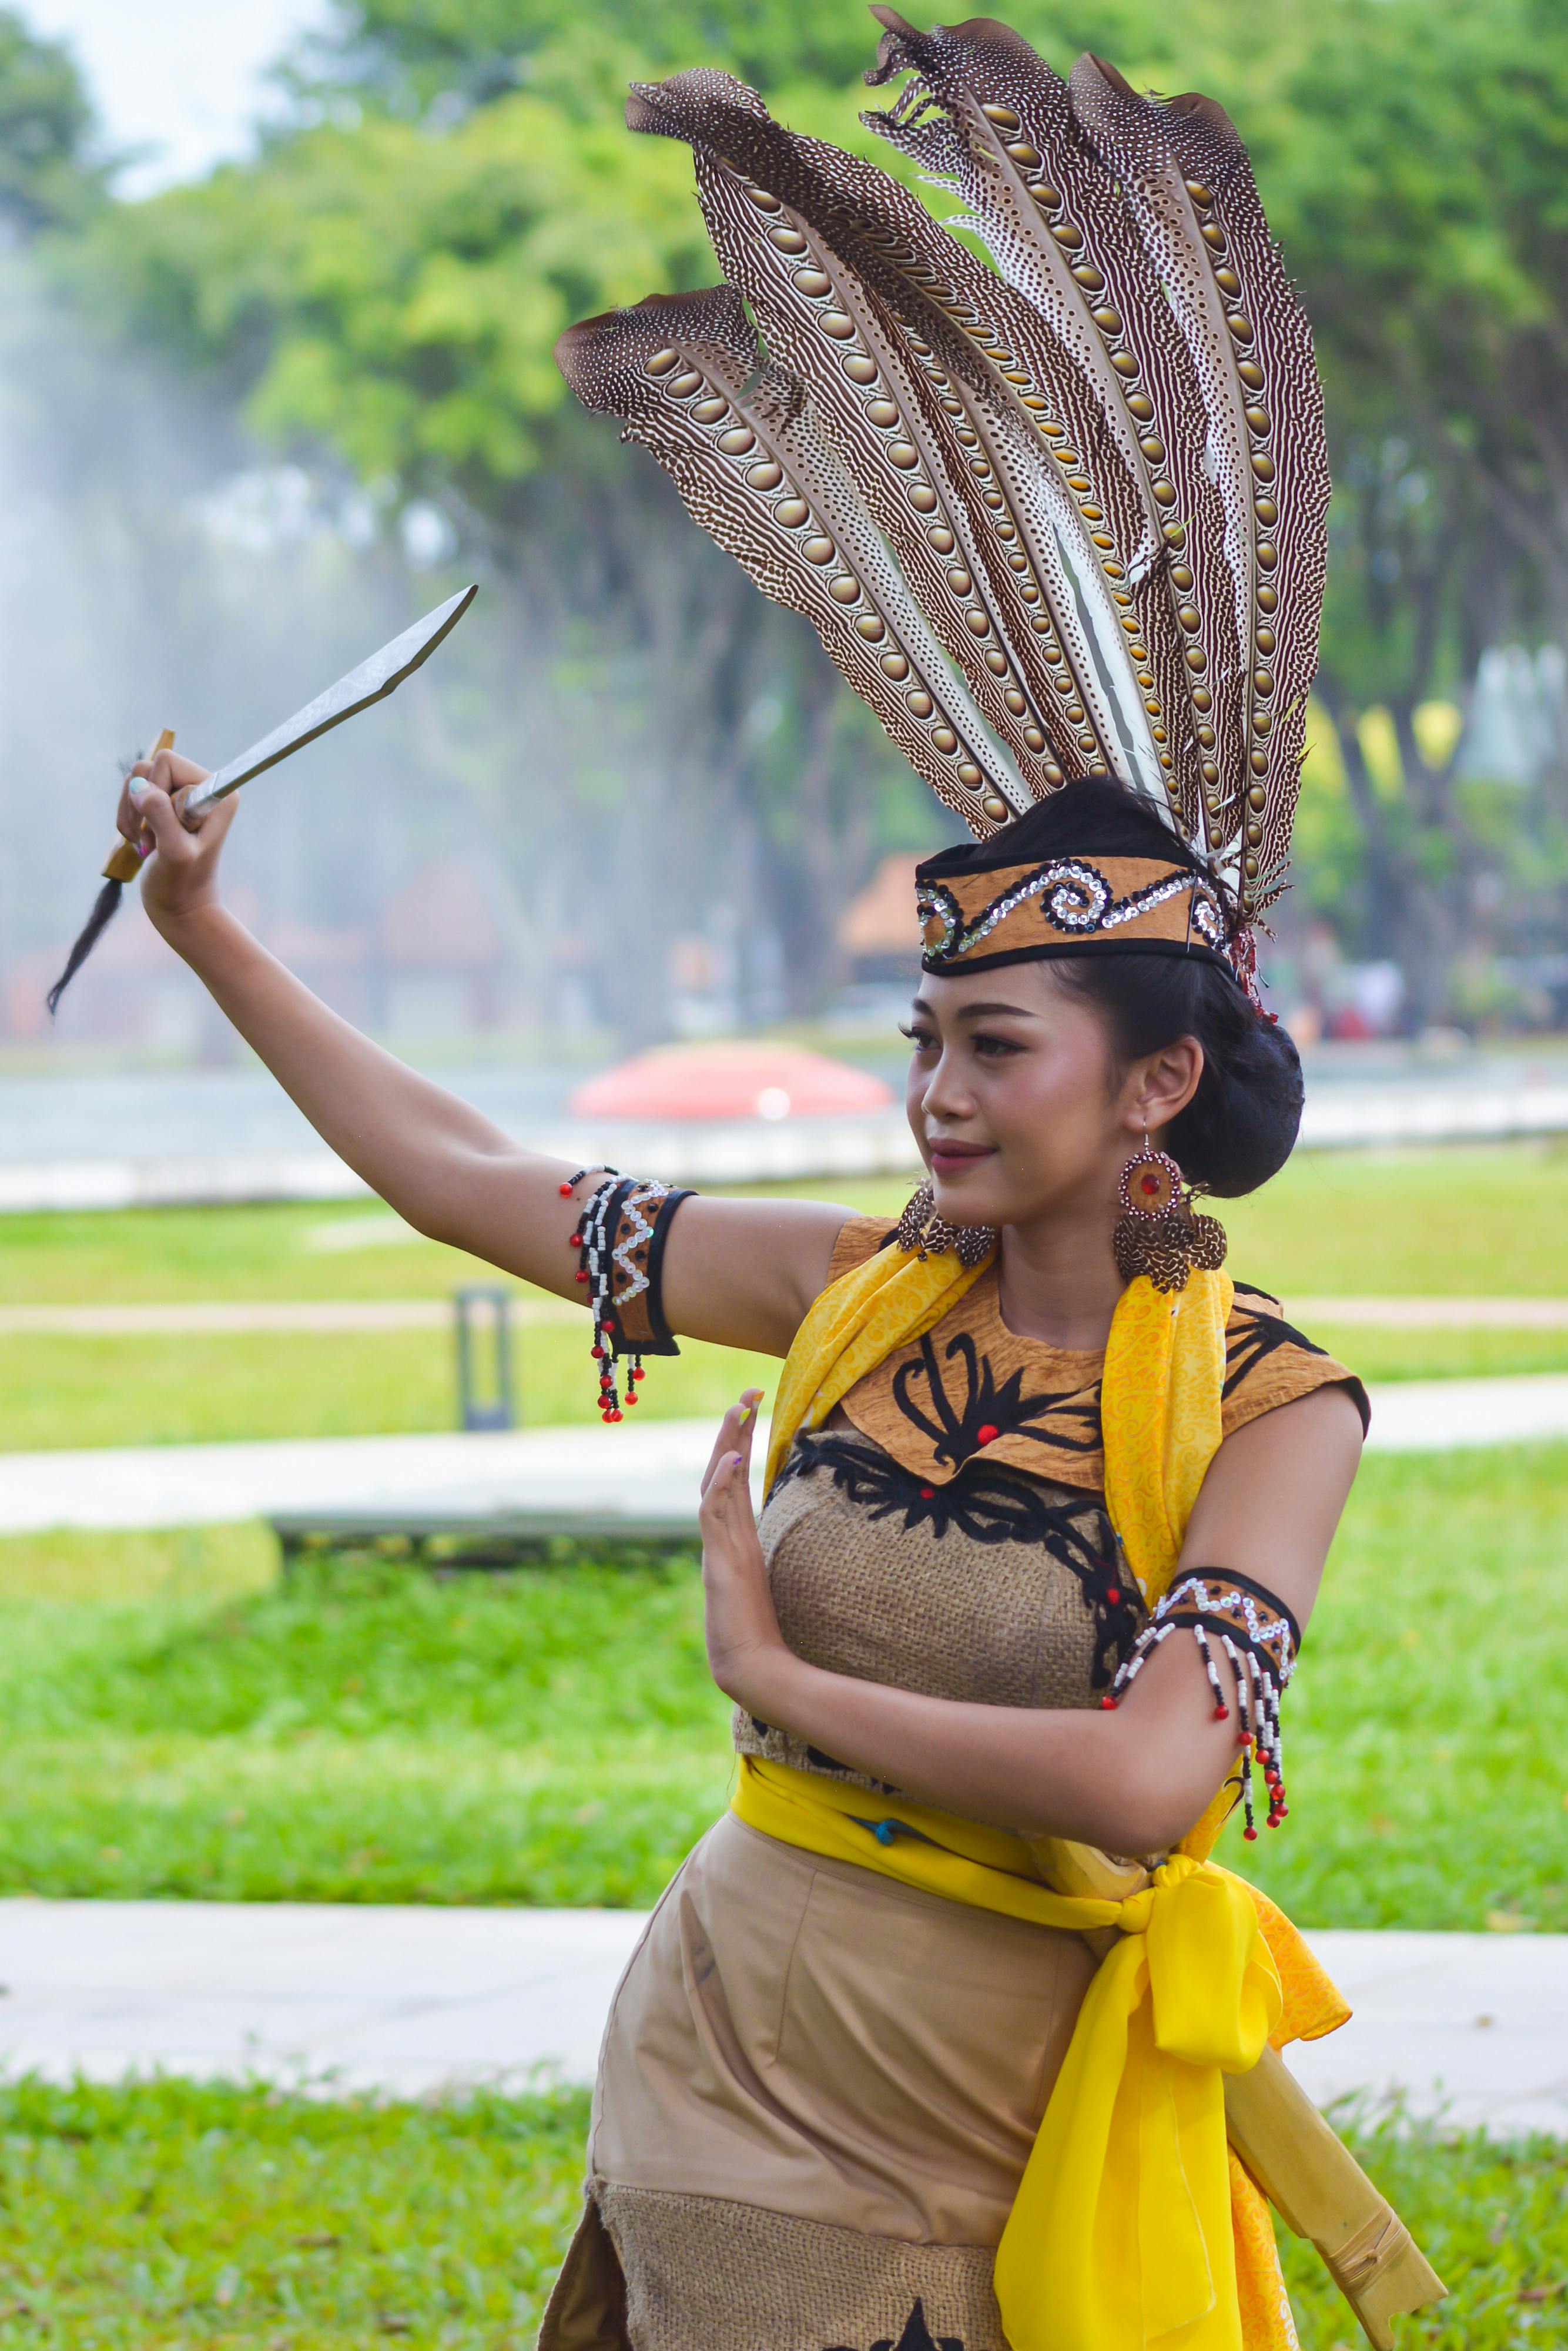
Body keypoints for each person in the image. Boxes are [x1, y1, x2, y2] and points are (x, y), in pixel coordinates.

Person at [111, 16, 1440, 2350]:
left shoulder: (1267, 1407)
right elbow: (476, 1183)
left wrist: (763, 1670)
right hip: (711, 2076)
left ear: (1153, 1086)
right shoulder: (845, 1287)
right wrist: (213, 934)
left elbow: (1150, 1782)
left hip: (978, 2141)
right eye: (925, 1039)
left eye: (994, 1048)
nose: (933, 1093)